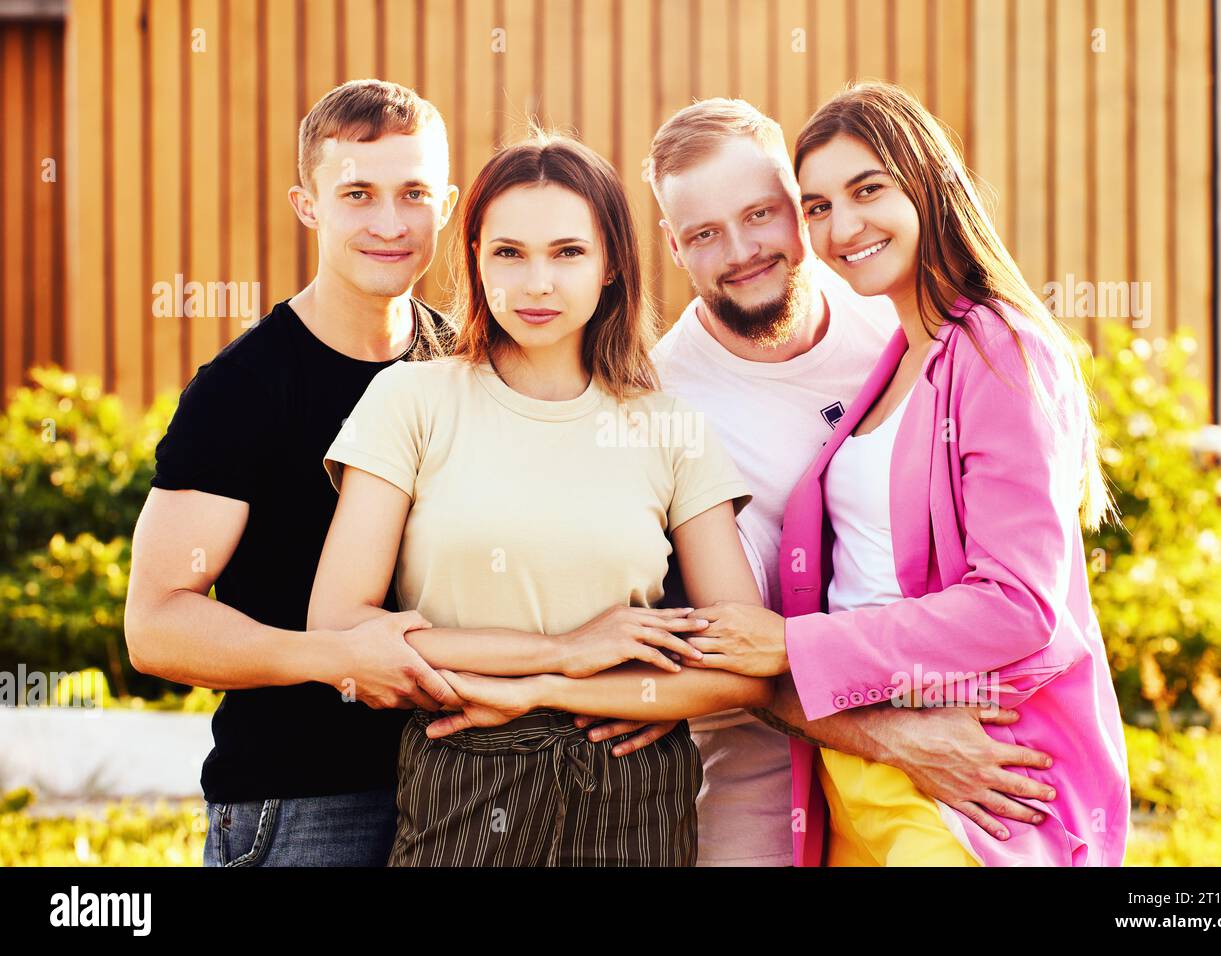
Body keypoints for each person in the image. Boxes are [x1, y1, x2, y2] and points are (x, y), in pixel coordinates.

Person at [682, 81, 1130, 866]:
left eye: (868, 191)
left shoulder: (999, 349)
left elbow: (1017, 605)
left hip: (963, 775)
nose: (843, 226)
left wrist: (795, 644)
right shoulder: (892, 356)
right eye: (818, 206)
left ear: (926, 182)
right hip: (860, 770)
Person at [308, 130, 771, 867]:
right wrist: (567, 651)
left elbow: (743, 662)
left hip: (633, 785)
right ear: (474, 259)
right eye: (509, 253)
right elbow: (339, 629)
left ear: (614, 262)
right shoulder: (413, 398)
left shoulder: (667, 425)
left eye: (568, 252)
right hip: (465, 774)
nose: (537, 285)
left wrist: (549, 687)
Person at [124, 80, 467, 866]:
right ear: (307, 204)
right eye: (357, 194)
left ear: (446, 203)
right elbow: (156, 625)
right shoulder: (243, 389)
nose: (390, 223)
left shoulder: (464, 365)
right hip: (305, 806)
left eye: (414, 193)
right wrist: (337, 658)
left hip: (460, 785)